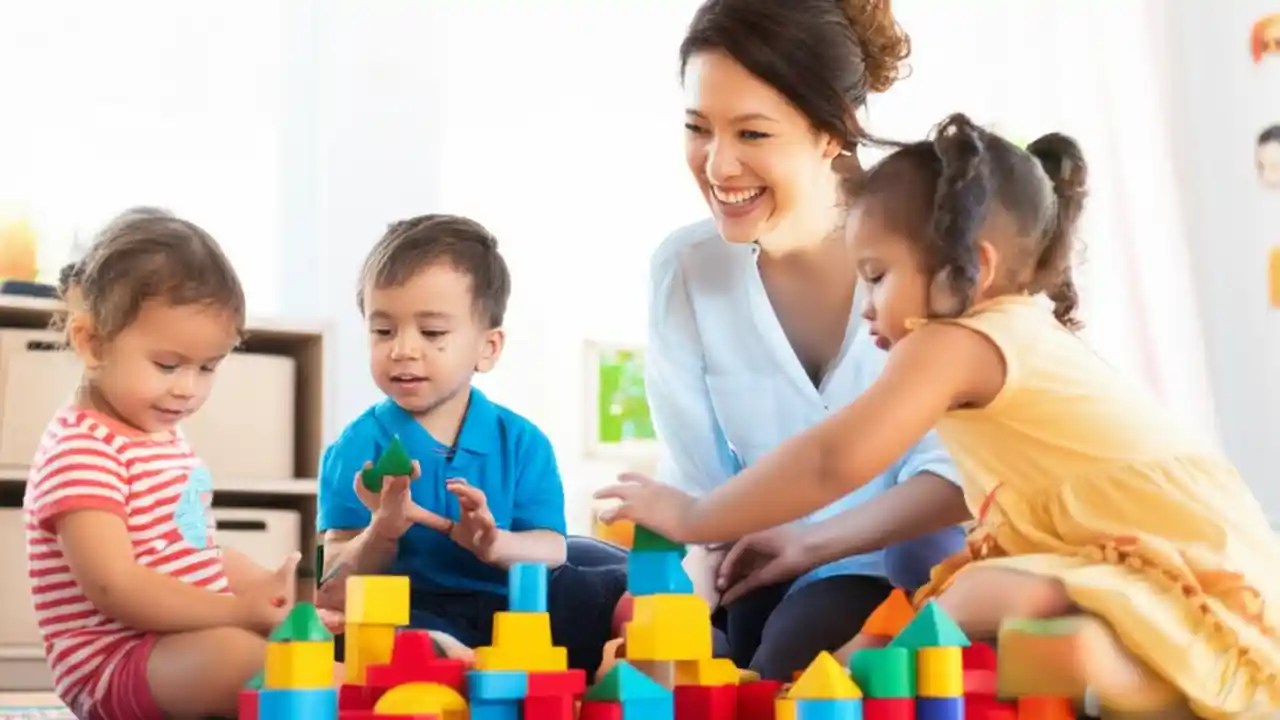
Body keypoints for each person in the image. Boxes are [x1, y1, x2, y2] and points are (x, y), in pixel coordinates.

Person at [599, 113, 1280, 718]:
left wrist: (692, 517)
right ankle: (859, 680)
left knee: (978, 597)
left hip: (1170, 555)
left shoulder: (955, 341)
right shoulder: (1005, 328)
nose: (866, 305)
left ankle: (873, 685)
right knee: (953, 606)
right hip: (1124, 555)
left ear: (973, 269)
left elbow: (832, 459)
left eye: (876, 276)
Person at [634, 0, 969, 680]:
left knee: (791, 651)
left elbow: (951, 477)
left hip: (904, 574)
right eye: (699, 129)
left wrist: (812, 545)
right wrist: (678, 632)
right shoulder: (685, 270)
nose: (718, 165)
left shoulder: (925, 260)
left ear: (832, 132)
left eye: (752, 134)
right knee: (597, 601)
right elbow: (698, 491)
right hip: (754, 567)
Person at [22, 211, 315, 719]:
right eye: (168, 365)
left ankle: (339, 683)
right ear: (92, 343)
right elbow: (117, 587)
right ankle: (353, 694)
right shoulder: (80, 451)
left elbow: (193, 552)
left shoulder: (158, 436)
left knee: (276, 642)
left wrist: (267, 591)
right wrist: (233, 610)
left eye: (208, 368)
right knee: (241, 657)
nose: (189, 388)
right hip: (113, 665)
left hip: (172, 647)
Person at [315, 214, 627, 676]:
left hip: (518, 615)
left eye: (432, 333)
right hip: (412, 615)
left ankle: (617, 660)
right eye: (383, 331)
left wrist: (493, 543)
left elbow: (551, 549)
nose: (402, 349)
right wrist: (381, 531)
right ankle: (442, 658)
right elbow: (331, 588)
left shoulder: (521, 441)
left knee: (599, 586)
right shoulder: (355, 448)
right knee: (349, 636)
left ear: (488, 347)